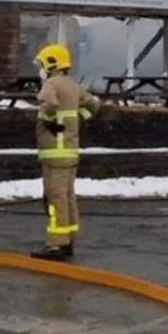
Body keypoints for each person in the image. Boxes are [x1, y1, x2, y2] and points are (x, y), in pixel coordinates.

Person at [30, 44, 99, 261]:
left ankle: (56, 244)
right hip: (70, 152)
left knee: (55, 197)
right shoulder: (73, 85)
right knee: (68, 196)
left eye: (42, 64)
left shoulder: (50, 84)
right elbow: (93, 105)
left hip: (54, 153)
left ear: (51, 63)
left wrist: (48, 119)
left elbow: (49, 104)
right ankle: (68, 239)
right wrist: (77, 119)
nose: (41, 69)